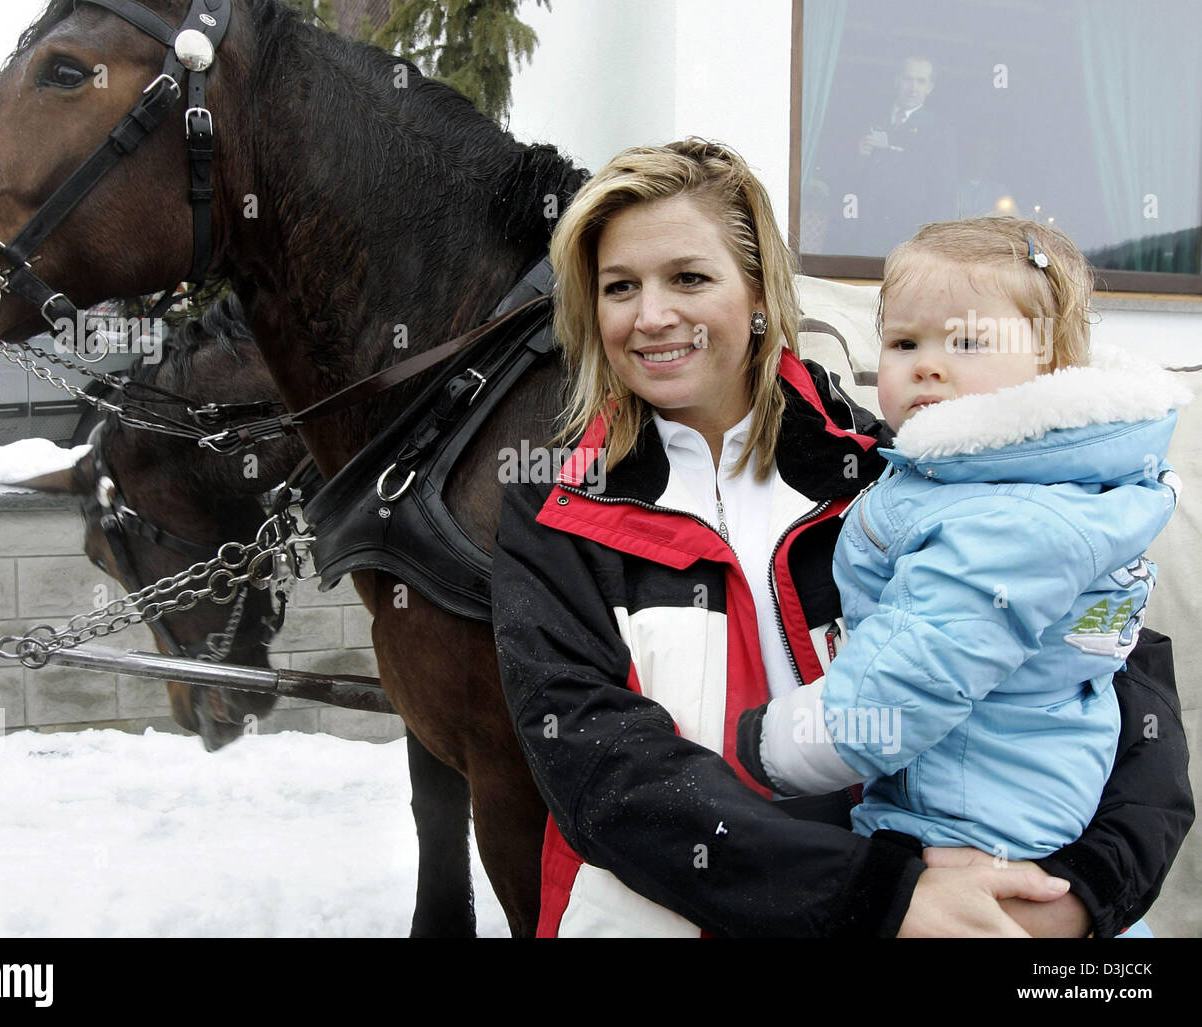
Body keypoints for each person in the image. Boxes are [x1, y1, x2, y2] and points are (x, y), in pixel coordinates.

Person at [490, 139, 1193, 937]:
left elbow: (1123, 696)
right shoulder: (556, 511)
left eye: (689, 277)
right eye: (620, 287)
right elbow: (603, 771)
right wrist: (882, 898)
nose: (652, 315)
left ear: (759, 293)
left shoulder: (893, 475)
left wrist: (1077, 894)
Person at [735, 218, 1189, 872]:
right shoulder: (1027, 478)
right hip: (1011, 799)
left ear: (1053, 365)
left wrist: (769, 745)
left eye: (970, 341)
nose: (927, 363)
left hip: (968, 826)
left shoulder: (1001, 515)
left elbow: (908, 681)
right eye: (902, 340)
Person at [852, 57, 958, 255]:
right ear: (897, 81)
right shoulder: (872, 116)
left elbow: (944, 190)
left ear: (930, 87)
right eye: (908, 79)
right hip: (868, 229)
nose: (913, 88)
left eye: (921, 81)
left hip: (910, 233)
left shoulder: (939, 130)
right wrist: (860, 156)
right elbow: (850, 178)